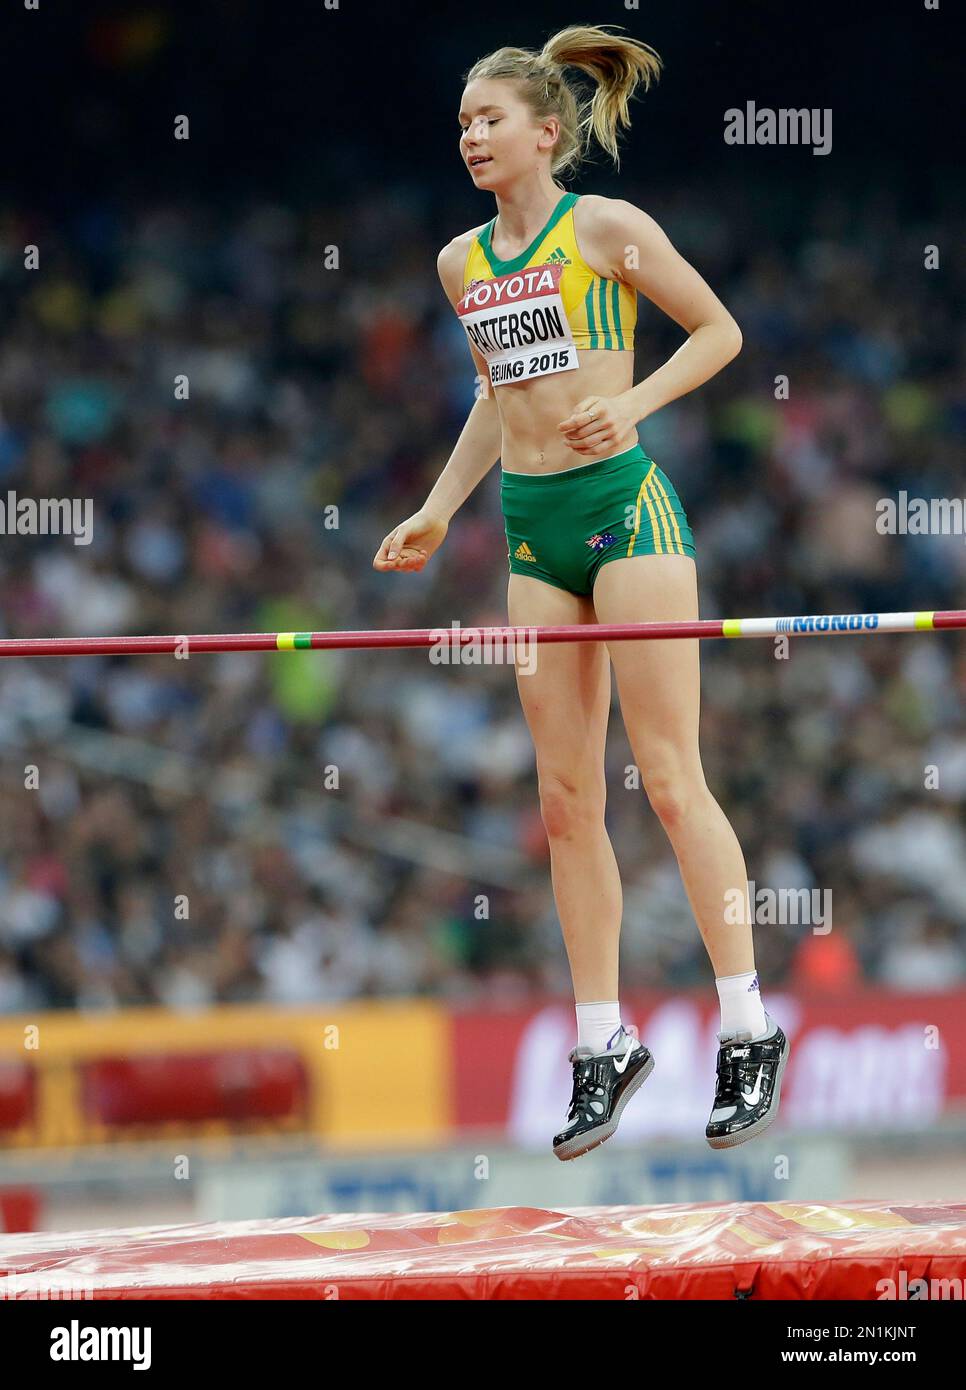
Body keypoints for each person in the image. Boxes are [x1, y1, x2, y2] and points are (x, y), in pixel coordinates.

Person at [374, 23, 788, 1159]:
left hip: (625, 511)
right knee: (564, 800)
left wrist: (637, 405)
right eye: (461, 123)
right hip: (529, 531)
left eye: (489, 120)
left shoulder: (604, 228)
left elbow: (720, 330)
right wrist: (439, 507)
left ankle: (748, 1024)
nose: (470, 136)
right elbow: (489, 397)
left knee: (665, 775)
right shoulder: (462, 262)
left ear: (544, 132)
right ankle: (601, 1043)